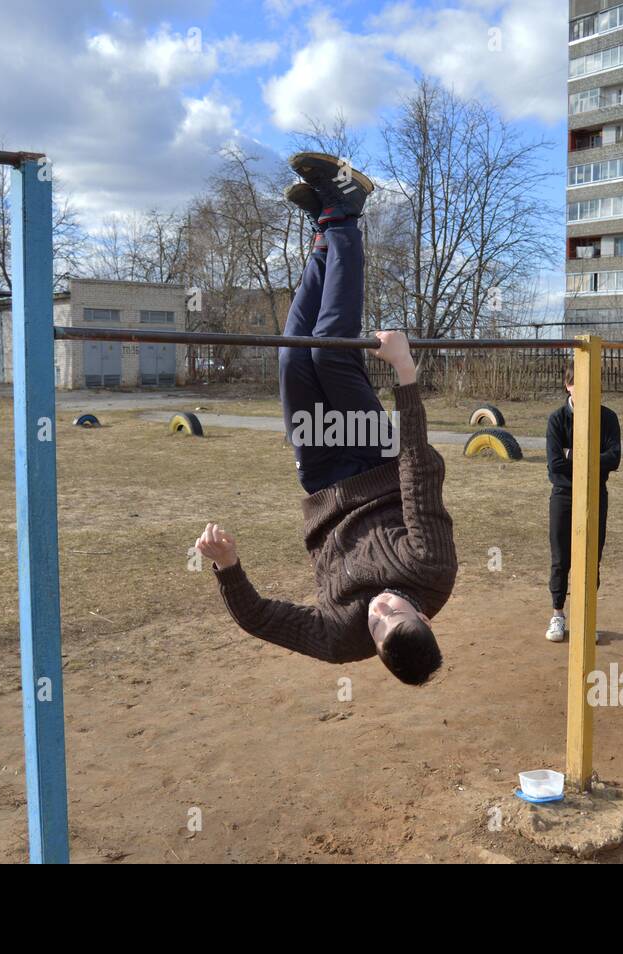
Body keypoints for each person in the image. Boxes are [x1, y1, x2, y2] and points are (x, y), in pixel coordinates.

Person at [194, 153, 457, 686]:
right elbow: (419, 473)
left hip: (320, 477)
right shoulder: (431, 572)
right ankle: (346, 213)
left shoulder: (340, 637)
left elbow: (261, 618)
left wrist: (229, 567)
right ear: (424, 615)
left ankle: (325, 233)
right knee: (330, 353)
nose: (380, 607)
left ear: (376, 651)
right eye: (396, 612)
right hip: (374, 460)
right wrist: (406, 373)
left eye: (379, 626)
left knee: (294, 355)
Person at [544, 362, 621, 642]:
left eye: (591, 385)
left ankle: (586, 618)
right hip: (564, 495)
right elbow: (555, 464)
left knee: (591, 559)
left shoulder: (607, 418)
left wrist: (573, 455)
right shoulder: (557, 420)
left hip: (595, 494)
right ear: (568, 385)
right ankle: (557, 616)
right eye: (578, 384)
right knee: (561, 558)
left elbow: (614, 458)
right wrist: (591, 458)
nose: (585, 390)